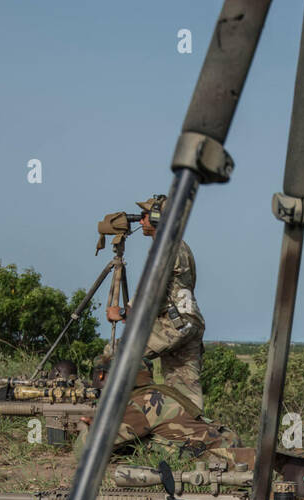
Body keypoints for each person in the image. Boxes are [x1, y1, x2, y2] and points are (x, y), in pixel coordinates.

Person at [83, 354, 250, 469]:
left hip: (221, 463)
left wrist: (92, 425)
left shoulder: (141, 404)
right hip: (231, 452)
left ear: (102, 376)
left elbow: (84, 450)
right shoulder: (159, 393)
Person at [133, 194, 206, 412]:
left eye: (145, 216)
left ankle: (136, 417)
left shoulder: (164, 247)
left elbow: (152, 290)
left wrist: (128, 312)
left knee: (120, 355)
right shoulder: (181, 245)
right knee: (186, 390)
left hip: (172, 324)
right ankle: (194, 436)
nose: (140, 221)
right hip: (189, 322)